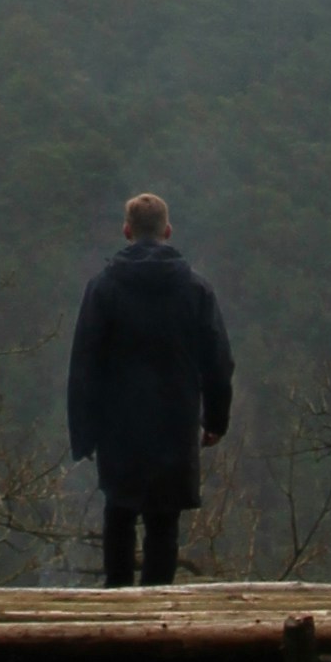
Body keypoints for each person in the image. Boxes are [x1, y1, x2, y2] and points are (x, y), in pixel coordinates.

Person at [65, 189, 233, 586]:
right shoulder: (196, 289)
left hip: (117, 425)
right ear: (168, 231)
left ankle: (116, 610)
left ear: (127, 231)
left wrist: (83, 434)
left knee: (118, 514)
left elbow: (84, 364)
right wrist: (216, 420)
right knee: (164, 521)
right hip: (174, 423)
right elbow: (218, 362)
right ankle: (156, 616)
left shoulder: (103, 288)